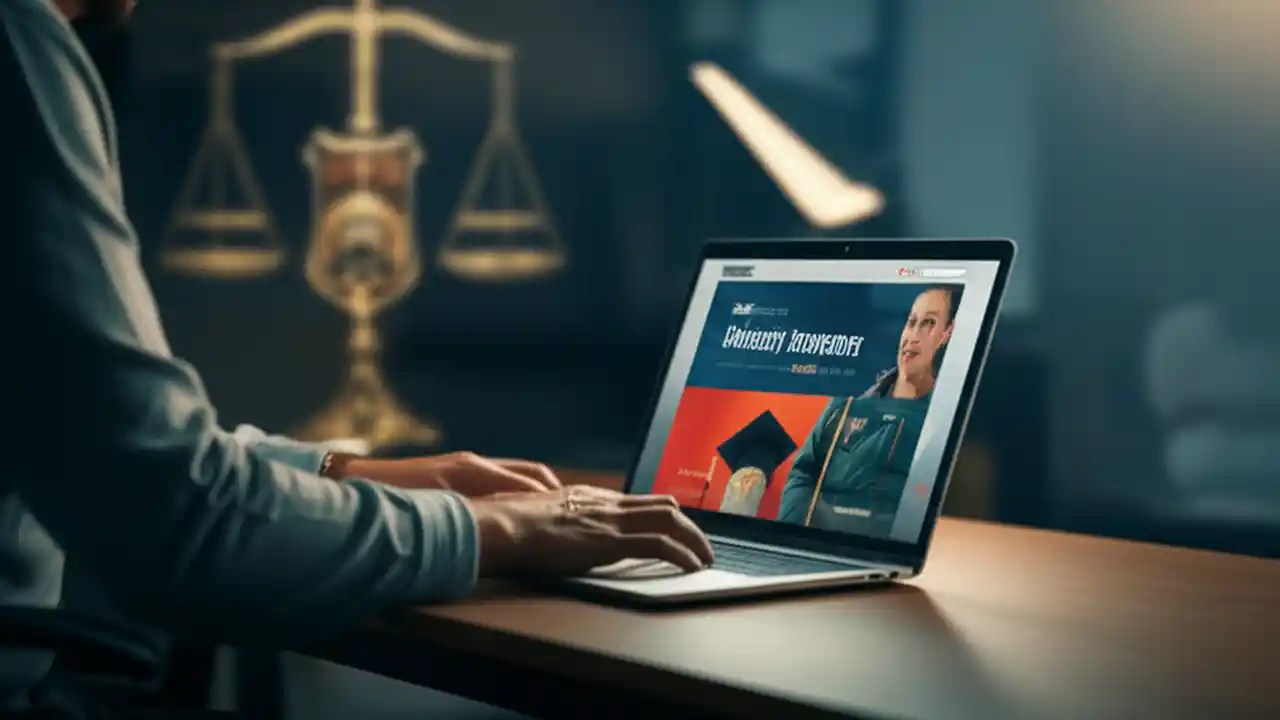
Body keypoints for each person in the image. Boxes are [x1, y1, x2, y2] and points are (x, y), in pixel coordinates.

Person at [0, 0, 713, 715]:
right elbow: (176, 518)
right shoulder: (16, 40)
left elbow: (98, 453)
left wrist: (349, 470)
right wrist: (499, 529)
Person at [777, 286, 960, 537]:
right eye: (910, 322)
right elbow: (804, 472)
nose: (912, 336)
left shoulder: (943, 423)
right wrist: (793, 536)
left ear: (948, 334)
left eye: (929, 323)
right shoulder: (847, 405)